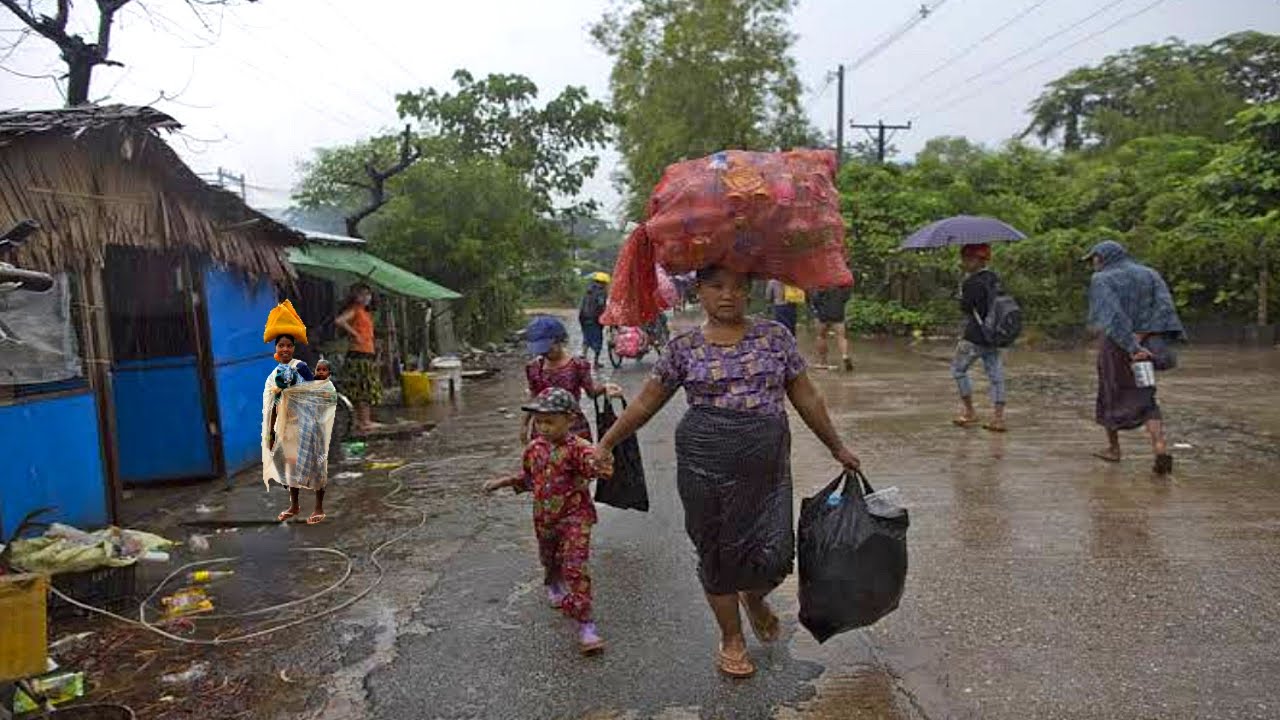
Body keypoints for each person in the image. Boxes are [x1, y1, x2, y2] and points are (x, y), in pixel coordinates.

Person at [594, 266, 861, 679]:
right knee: (716, 552)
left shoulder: (775, 337)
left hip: (766, 463)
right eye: (717, 286)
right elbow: (646, 403)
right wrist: (608, 441)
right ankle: (731, 638)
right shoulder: (684, 347)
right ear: (698, 291)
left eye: (739, 288)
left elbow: (806, 394)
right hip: (704, 460)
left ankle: (754, 599)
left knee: (774, 554)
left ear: (750, 293)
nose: (728, 295)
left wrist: (837, 445)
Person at [484, 387, 608, 655]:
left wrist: (603, 458)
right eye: (539, 421)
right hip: (545, 517)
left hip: (576, 516)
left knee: (576, 566)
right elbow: (530, 478)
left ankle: (586, 625)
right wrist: (504, 481)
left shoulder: (578, 449)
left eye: (550, 421)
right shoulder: (533, 449)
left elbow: (596, 467)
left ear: (570, 420)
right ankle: (553, 582)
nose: (543, 427)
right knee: (550, 558)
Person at [1084, 240, 1184, 474]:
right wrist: (1143, 336)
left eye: (1093, 259)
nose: (1093, 264)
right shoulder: (1150, 274)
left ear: (1102, 257)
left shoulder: (1101, 279)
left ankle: (1114, 449)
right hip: (1148, 344)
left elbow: (1112, 316)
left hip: (1117, 347)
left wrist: (1131, 344)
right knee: (1146, 395)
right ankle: (1159, 447)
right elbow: (1165, 308)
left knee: (1110, 392)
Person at [262, 300, 336, 525]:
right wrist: (271, 431)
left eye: (288, 345)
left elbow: (315, 390)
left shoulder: (301, 367)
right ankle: (294, 505)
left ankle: (318, 507)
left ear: (293, 348)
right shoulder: (276, 374)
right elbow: (275, 401)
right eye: (280, 346)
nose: (284, 349)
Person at [523, 316, 620, 444]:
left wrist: (606, 388)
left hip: (573, 428)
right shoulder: (533, 368)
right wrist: (525, 425)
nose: (544, 353)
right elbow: (534, 397)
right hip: (543, 430)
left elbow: (591, 392)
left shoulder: (578, 365)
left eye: (548, 348)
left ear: (560, 341)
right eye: (541, 350)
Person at [951, 244, 1007, 432]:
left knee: (959, 370)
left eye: (966, 259)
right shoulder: (995, 279)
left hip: (975, 336)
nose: (964, 262)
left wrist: (962, 294)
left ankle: (970, 412)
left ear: (975, 260)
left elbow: (966, 309)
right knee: (996, 376)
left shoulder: (971, 283)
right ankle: (998, 419)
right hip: (994, 335)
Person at [334, 283, 382, 433]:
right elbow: (339, 321)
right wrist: (355, 334)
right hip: (358, 355)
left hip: (368, 353)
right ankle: (364, 422)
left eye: (368, 295)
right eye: (362, 294)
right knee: (362, 389)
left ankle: (363, 420)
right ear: (355, 296)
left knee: (366, 388)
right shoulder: (355, 310)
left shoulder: (366, 313)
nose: (366, 298)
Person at [809, 284, 853, 371]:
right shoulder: (841, 286)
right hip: (838, 314)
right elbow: (846, 298)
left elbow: (814, 300)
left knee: (821, 337)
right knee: (841, 337)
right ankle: (845, 356)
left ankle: (823, 362)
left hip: (822, 315)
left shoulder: (819, 285)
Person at [579, 273, 610, 368]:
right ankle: (595, 362)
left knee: (586, 336)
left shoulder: (588, 290)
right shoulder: (602, 292)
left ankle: (583, 356)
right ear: (604, 283)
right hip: (594, 319)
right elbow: (600, 306)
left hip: (583, 317)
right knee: (597, 339)